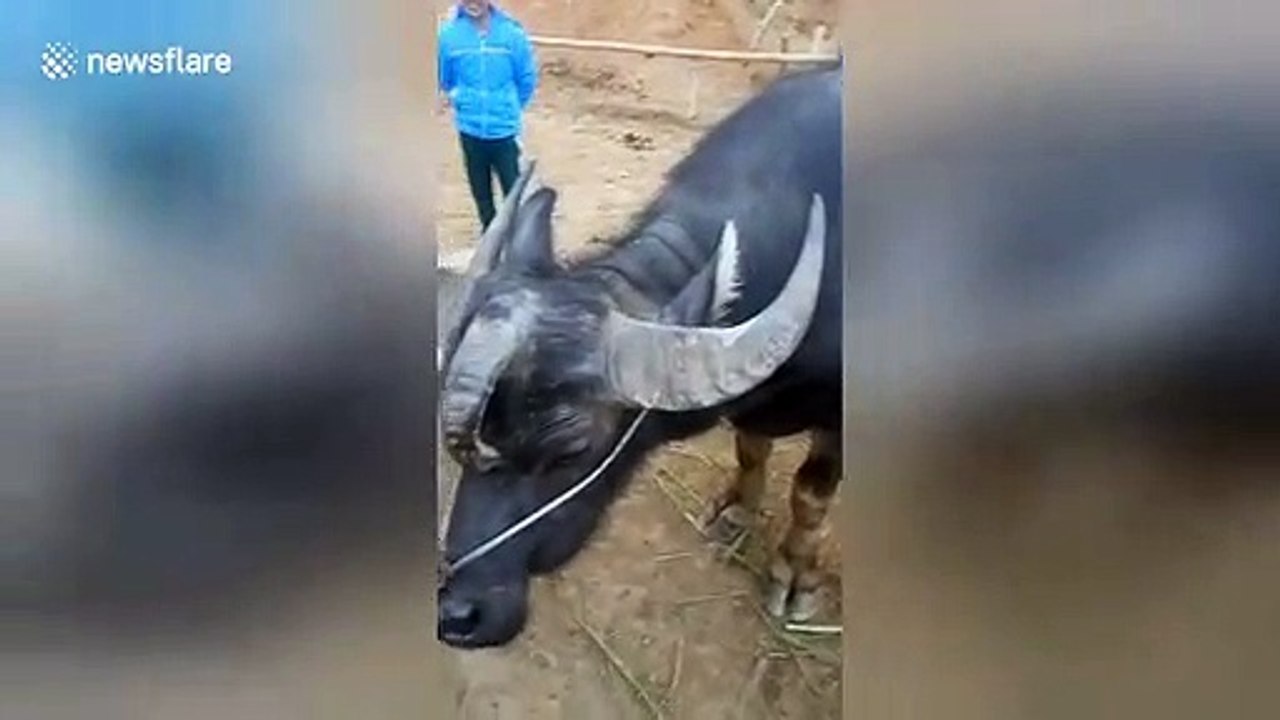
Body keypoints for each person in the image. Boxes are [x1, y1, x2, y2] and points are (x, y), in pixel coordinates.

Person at [438, 0, 539, 231]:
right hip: (470, 129)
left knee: (513, 190)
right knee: (481, 191)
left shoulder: (512, 35)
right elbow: (446, 78)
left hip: (504, 131)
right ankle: (489, 234)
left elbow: (526, 79)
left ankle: (515, 238)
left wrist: (509, 107)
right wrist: (463, 100)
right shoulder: (449, 36)